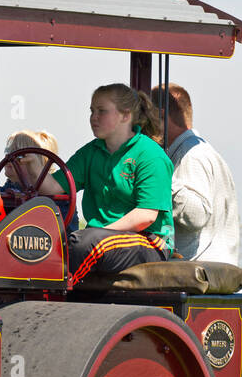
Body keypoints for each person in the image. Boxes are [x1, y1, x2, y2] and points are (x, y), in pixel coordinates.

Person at [39, 84, 174, 284]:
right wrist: (32, 164)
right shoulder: (90, 152)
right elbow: (51, 188)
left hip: (150, 240)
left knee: (87, 244)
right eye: (92, 111)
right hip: (103, 238)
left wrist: (102, 232)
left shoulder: (150, 155)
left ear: (125, 116)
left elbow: (145, 216)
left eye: (102, 111)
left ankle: (59, 293)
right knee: (49, 242)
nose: (94, 117)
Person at [150, 84, 240, 264]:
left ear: (160, 116)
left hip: (196, 275)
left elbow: (197, 214)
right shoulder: (201, 151)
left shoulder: (190, 156)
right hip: (210, 274)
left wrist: (158, 178)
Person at [0, 129, 78, 231]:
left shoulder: (60, 200)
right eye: (8, 153)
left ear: (39, 164)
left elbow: (63, 233)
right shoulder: (5, 191)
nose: (10, 159)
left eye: (19, 156)